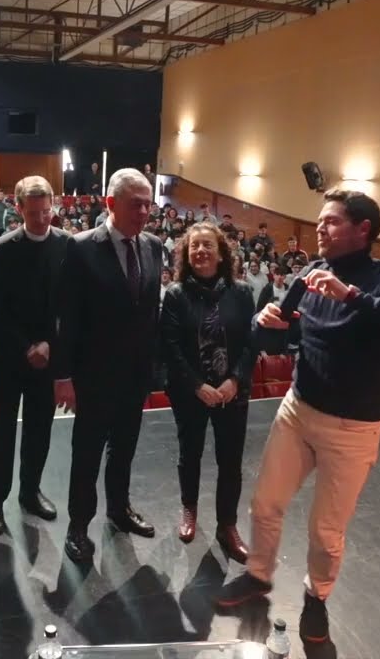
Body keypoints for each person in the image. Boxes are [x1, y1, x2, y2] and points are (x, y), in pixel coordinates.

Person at [216, 190, 380, 645]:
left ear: (364, 230)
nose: (320, 228)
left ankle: (316, 597)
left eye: (332, 221)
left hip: (352, 428)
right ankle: (259, 575)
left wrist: (352, 295)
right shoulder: (311, 272)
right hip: (299, 410)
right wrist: (268, 323)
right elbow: (276, 338)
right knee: (265, 503)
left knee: (325, 530)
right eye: (320, 221)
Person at [54, 168, 164, 563]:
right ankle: (78, 526)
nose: (145, 211)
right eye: (136, 203)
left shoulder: (152, 246)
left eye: (148, 203)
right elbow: (67, 318)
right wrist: (63, 376)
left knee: (124, 450)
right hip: (92, 377)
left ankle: (119, 509)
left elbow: (150, 311)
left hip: (134, 376)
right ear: (110, 203)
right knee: (86, 455)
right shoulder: (81, 247)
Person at [159, 222, 256, 563]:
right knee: (191, 454)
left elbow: (250, 343)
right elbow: (170, 347)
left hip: (232, 392)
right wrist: (198, 385)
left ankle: (227, 526)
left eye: (207, 245)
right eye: (194, 246)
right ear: (186, 253)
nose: (201, 251)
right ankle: (189, 510)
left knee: (230, 462)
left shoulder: (242, 293)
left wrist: (234, 381)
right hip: (191, 393)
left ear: (221, 252)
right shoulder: (175, 294)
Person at [0, 175, 69, 536]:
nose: (42, 219)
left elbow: (70, 305)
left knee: (40, 428)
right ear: (18, 209)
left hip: (48, 356)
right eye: (34, 213)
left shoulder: (66, 245)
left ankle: (30, 492)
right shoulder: (2, 249)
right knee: (3, 429)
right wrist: (26, 347)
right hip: (11, 357)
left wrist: (49, 344)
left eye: (47, 211)